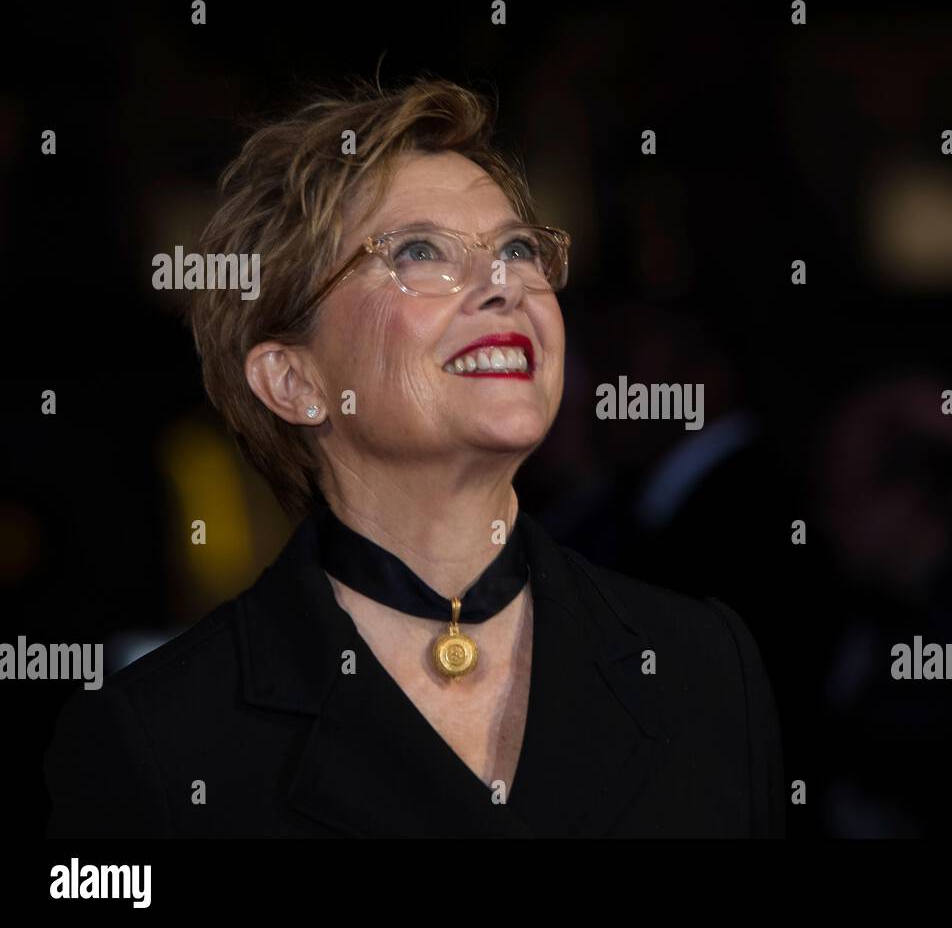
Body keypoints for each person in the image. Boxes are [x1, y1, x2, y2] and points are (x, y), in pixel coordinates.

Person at [43, 78, 784, 837]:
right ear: (294, 380)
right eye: (420, 252)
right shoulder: (159, 739)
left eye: (518, 248)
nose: (503, 286)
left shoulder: (704, 666)